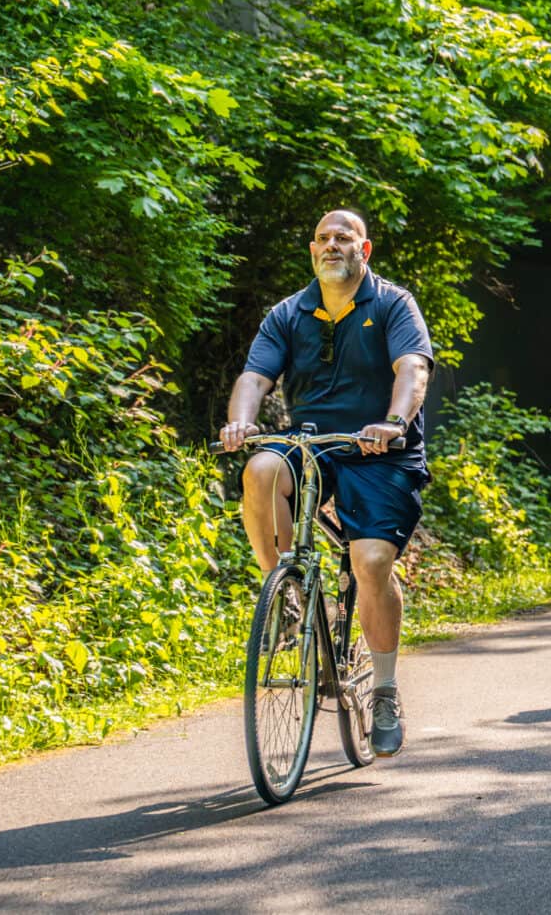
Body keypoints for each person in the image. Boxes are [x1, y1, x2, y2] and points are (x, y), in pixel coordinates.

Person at [219, 209, 434, 758]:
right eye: (322, 238)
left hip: (380, 449)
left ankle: (384, 689)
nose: (331, 245)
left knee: (370, 563)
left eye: (344, 237)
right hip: (310, 440)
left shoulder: (391, 304)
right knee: (261, 469)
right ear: (312, 251)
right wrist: (241, 420)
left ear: (365, 251)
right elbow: (255, 376)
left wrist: (394, 423)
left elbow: (412, 369)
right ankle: (287, 591)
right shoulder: (288, 313)